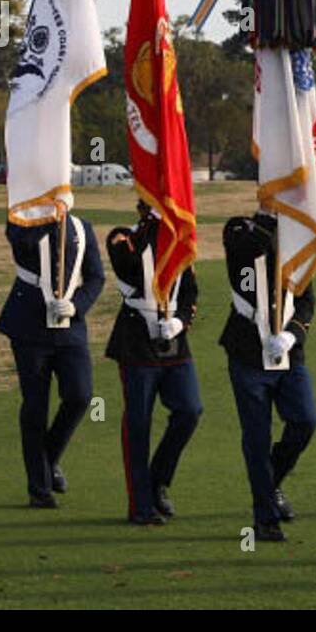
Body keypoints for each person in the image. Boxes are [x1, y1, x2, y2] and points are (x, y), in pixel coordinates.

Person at [219, 204, 316, 542]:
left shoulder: (297, 238)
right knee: (257, 435)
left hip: (288, 351)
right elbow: (250, 249)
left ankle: (270, 482)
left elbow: (306, 298)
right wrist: (270, 218)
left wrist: (293, 334)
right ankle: (264, 517)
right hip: (248, 348)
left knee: (305, 420)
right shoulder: (239, 229)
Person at [0, 205, 105, 508]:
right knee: (35, 407)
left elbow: (96, 276)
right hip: (29, 327)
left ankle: (49, 458)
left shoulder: (83, 228)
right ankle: (38, 487)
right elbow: (22, 245)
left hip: (69, 329)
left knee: (80, 395)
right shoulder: (21, 223)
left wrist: (77, 306)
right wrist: (47, 220)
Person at [105, 200, 203, 525]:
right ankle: (140, 506)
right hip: (136, 341)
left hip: (173, 341)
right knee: (138, 424)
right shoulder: (124, 238)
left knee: (190, 410)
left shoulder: (178, 240)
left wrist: (180, 321)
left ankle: (157, 479)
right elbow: (131, 269)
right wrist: (155, 226)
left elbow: (189, 290)